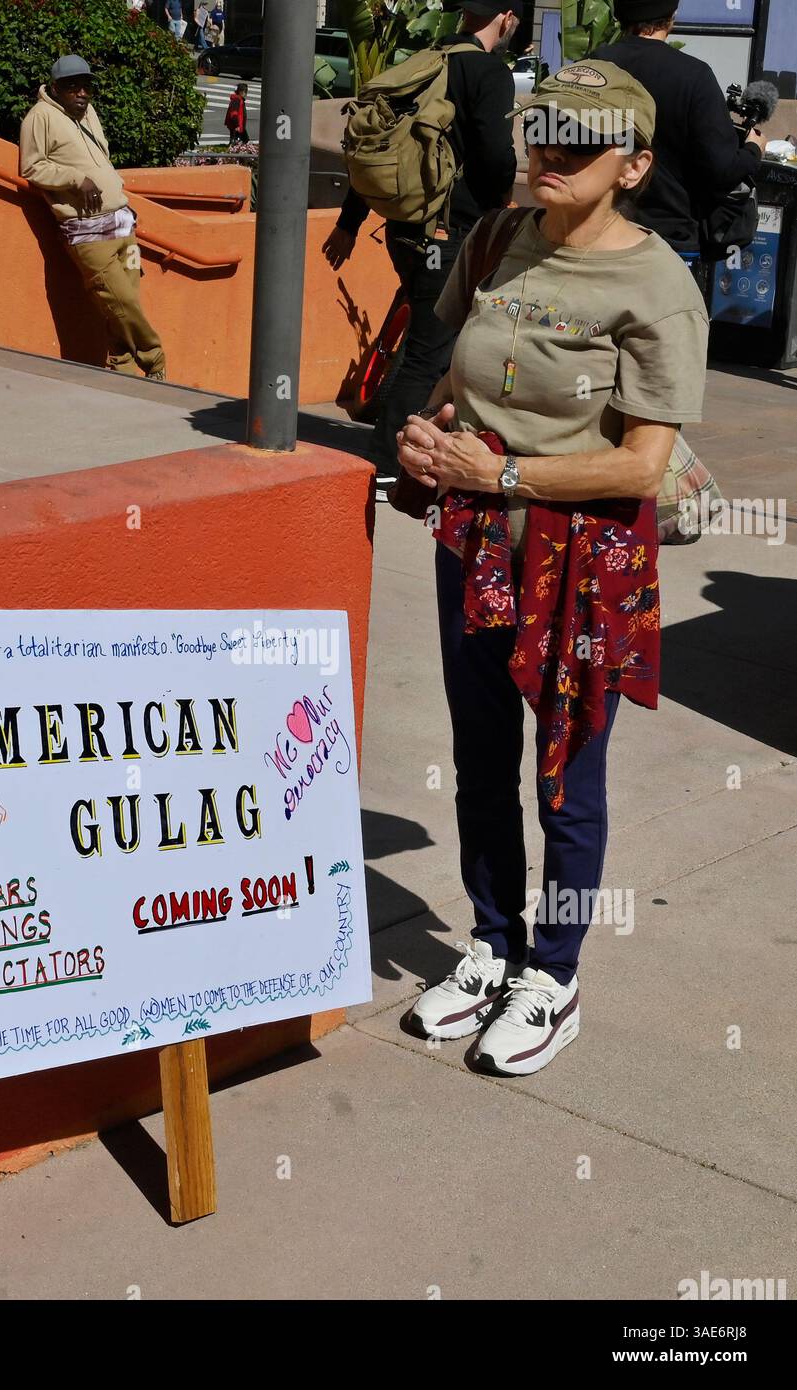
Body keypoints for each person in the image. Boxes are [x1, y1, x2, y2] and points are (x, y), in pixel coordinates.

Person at [404, 62, 709, 1074]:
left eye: (576, 144)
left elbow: (639, 460)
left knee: (566, 773)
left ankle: (555, 971)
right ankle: (492, 944)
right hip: (479, 538)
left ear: (632, 163)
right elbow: (459, 363)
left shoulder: (656, 287)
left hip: (586, 548)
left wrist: (499, 467)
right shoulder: (496, 237)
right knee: (479, 752)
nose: (547, 156)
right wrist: (433, 431)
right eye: (540, 134)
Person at [322, 1, 521, 498]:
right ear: (506, 17)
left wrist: (350, 221)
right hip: (447, 233)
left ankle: (388, 437)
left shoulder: (425, 63)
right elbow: (498, 155)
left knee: (419, 343)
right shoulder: (488, 73)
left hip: (404, 228)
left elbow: (382, 142)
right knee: (430, 352)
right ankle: (387, 466)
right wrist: (502, 204)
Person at [594, 1, 767, 283]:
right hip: (667, 244)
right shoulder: (693, 75)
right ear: (671, 17)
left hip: (599, 232)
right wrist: (753, 150)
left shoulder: (593, 66)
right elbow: (722, 169)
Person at [20, 55, 167, 379]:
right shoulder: (39, 117)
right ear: (56, 88)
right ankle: (155, 359)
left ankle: (124, 373)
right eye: (73, 87)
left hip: (122, 226)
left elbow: (103, 159)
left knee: (122, 306)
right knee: (122, 301)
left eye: (86, 86)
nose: (82, 93)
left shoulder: (88, 114)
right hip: (88, 233)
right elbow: (32, 167)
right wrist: (75, 179)